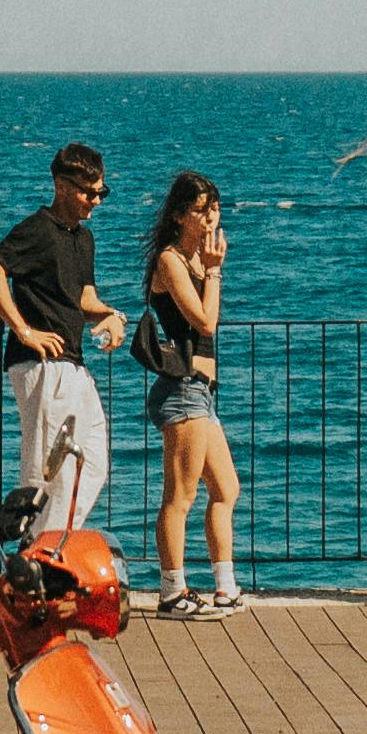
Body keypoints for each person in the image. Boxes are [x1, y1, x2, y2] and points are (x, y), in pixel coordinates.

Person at [0, 142, 123, 540]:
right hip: (42, 366)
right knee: (45, 473)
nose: (95, 200)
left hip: (74, 364)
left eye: (101, 193)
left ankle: (45, 552)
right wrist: (23, 329)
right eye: (88, 192)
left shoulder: (83, 238)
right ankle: (33, 562)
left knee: (91, 464)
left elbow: (83, 299)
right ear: (61, 185)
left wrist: (112, 316)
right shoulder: (37, 230)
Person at [135, 171, 247, 616]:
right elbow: (204, 322)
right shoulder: (170, 262)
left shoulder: (196, 259)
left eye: (213, 208)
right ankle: (172, 592)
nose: (209, 217)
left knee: (226, 489)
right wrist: (215, 273)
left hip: (202, 391)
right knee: (179, 497)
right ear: (180, 215)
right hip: (182, 391)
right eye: (200, 210)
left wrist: (210, 265)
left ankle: (225, 586)